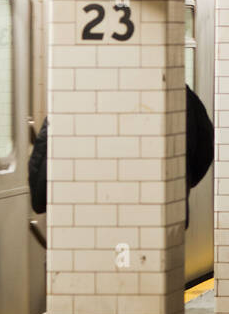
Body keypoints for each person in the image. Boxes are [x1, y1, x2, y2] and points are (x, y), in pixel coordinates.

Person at [28, 85, 212, 220]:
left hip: (87, 218)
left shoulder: (77, 93)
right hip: (158, 215)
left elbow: (45, 156)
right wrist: (181, 182)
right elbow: (205, 145)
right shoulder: (178, 92)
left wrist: (40, 197)